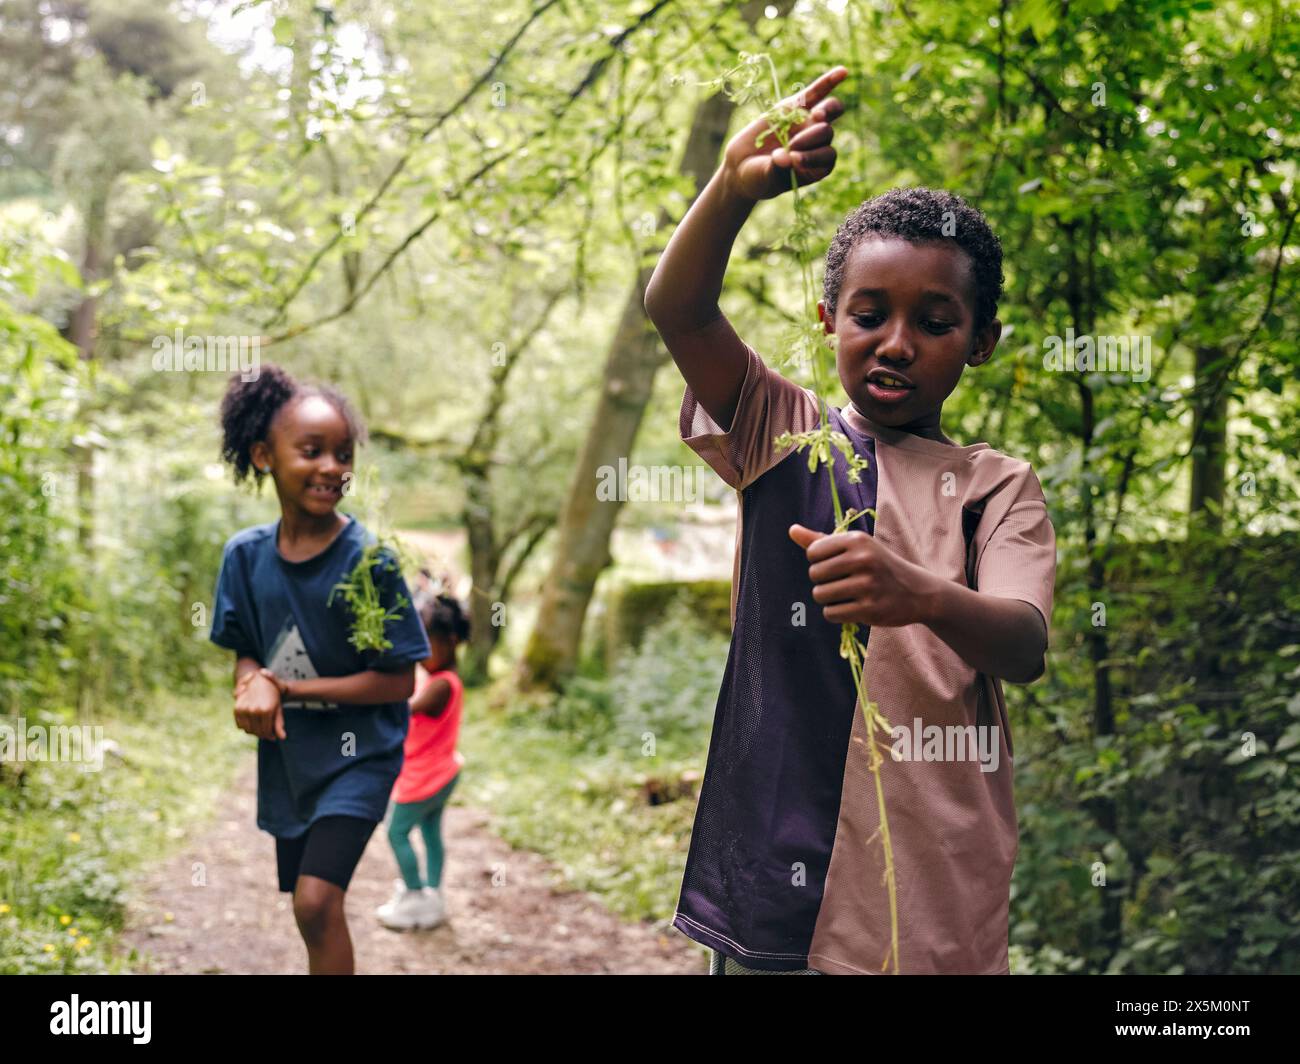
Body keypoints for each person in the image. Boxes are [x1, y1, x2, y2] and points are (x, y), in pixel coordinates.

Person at [643, 66, 1056, 975]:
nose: (897, 341)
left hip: (930, 878)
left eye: (935, 321)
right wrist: (731, 189)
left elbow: (1023, 645)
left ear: (980, 342)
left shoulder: (999, 487)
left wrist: (916, 591)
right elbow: (676, 307)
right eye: (870, 314)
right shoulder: (783, 436)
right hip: (776, 859)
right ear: (830, 318)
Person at [209, 364, 431, 974]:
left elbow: (400, 680)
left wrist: (290, 687)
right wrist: (250, 684)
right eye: (312, 452)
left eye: (342, 453)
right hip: (291, 762)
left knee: (315, 902)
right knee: (308, 909)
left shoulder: (372, 562)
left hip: (363, 757)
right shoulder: (244, 557)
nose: (333, 466)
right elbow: (246, 651)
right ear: (263, 456)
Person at [375, 592, 468, 931]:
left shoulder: (441, 685)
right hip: (441, 771)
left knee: (395, 831)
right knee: (430, 833)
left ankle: (415, 895)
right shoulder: (443, 679)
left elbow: (403, 711)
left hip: (426, 776)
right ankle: (433, 895)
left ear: (451, 641)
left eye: (426, 642)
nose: (421, 651)